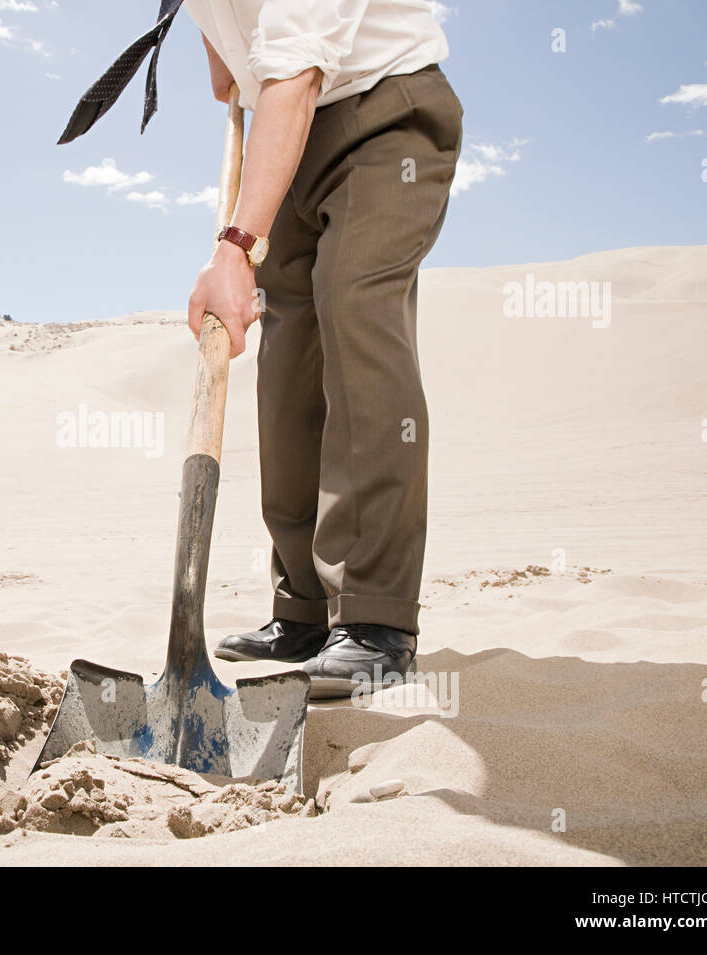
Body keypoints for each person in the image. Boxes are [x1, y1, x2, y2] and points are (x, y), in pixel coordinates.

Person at [60, 1, 462, 699]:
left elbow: (298, 71)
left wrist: (236, 246)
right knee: (288, 370)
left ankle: (374, 622)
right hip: (287, 137)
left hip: (383, 115)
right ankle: (304, 609)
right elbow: (232, 70)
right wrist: (229, 61)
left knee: (354, 306)